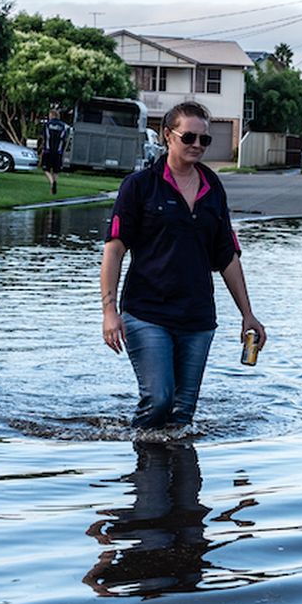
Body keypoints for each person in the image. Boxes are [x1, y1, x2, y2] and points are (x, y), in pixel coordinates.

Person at [100, 101, 266, 431]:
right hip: (146, 313)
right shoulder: (139, 186)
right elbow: (114, 251)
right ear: (168, 136)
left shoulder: (212, 188)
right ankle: (144, 468)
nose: (196, 146)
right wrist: (109, 312)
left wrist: (248, 313)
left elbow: (227, 256)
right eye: (189, 137)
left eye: (204, 140)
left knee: (182, 412)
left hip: (197, 319)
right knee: (159, 399)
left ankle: (179, 477)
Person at [40, 106, 72, 195]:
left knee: (46, 169)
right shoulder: (63, 126)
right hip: (58, 151)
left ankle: (51, 182)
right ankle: (54, 184)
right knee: (56, 170)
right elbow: (65, 139)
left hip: (48, 150)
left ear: (51, 115)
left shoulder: (47, 125)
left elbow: (45, 137)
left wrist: (42, 148)